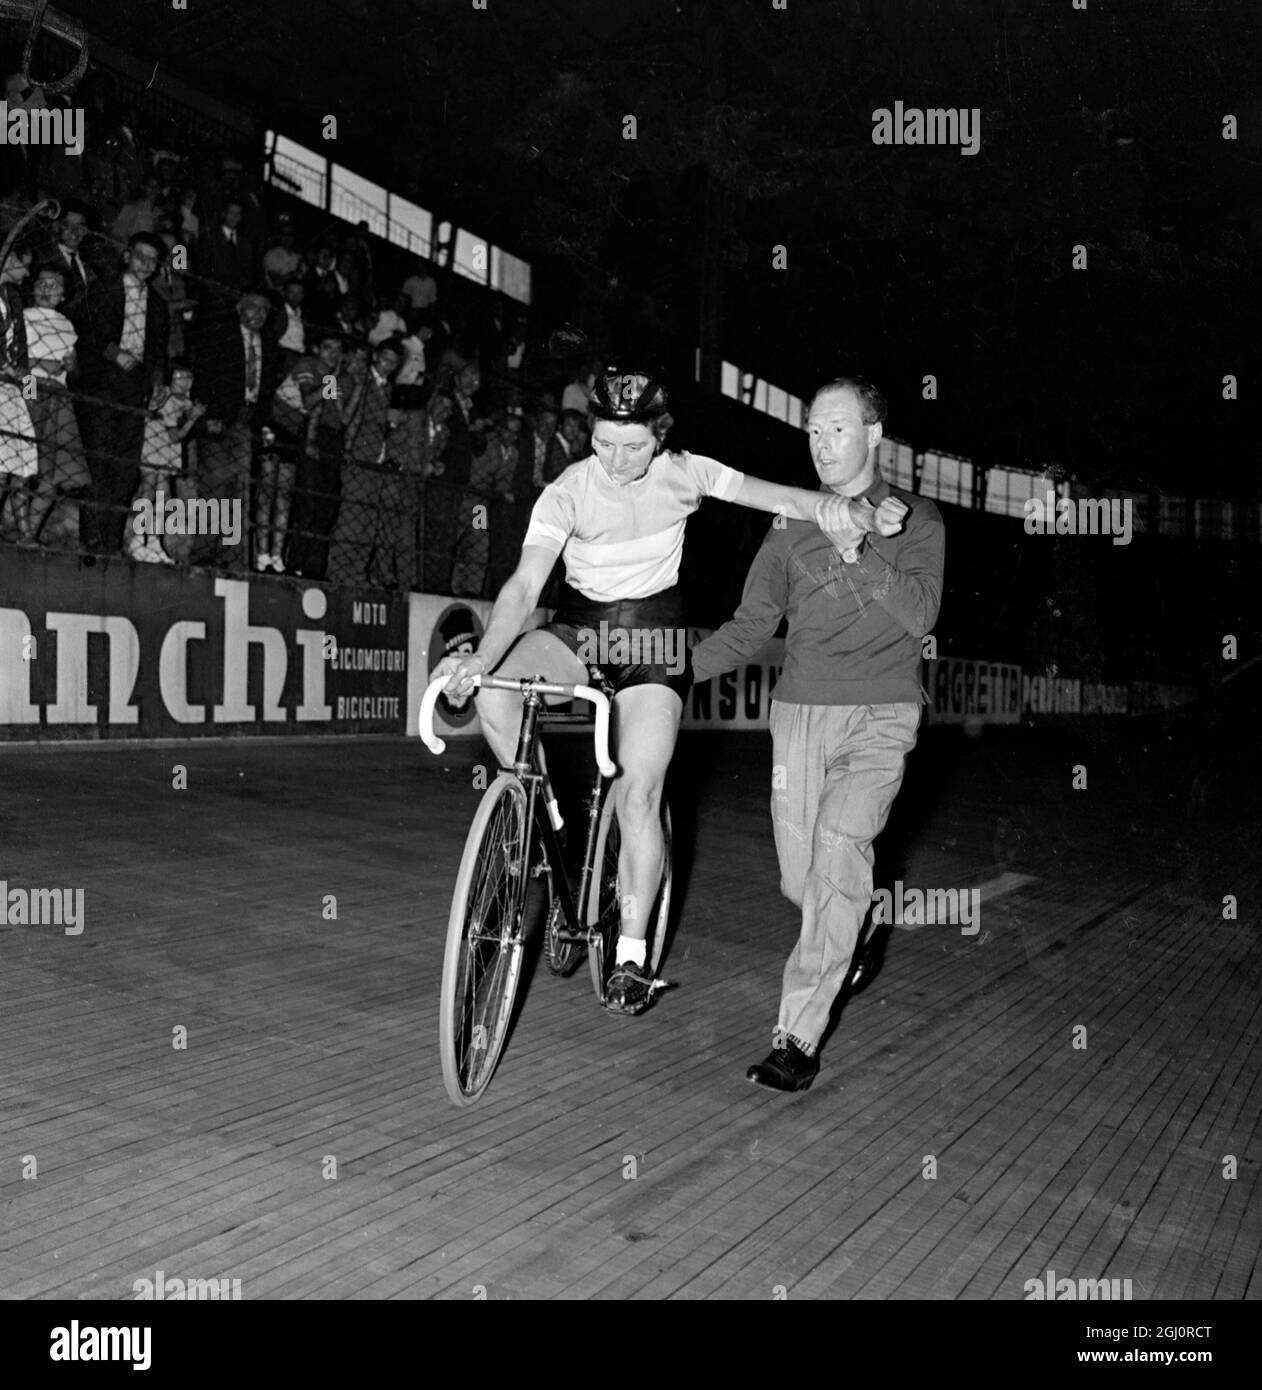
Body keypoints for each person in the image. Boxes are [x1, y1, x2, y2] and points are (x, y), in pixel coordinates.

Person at [433, 365, 859, 1016]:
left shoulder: (688, 473)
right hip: (579, 629)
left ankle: (631, 954)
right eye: (604, 442)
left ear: (659, 436)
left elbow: (776, 497)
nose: (617, 460)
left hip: (654, 643)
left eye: (633, 446)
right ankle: (541, 827)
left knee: (639, 794)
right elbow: (522, 590)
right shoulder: (568, 490)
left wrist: (837, 508)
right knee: (496, 693)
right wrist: (481, 659)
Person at [690, 377, 945, 1090]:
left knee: (838, 852)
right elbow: (749, 625)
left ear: (874, 437)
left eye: (838, 429)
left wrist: (857, 552)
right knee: (805, 881)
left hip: (881, 714)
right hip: (800, 713)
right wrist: (676, 672)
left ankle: (795, 1040)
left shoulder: (916, 518)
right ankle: (851, 926)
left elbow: (920, 615)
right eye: (813, 430)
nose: (823, 443)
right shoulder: (786, 526)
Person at [71, 232, 170, 555]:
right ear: (127, 255)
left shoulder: (157, 304)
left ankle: (111, 540)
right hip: (102, 380)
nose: (145, 264)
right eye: (140, 256)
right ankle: (92, 538)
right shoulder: (102, 289)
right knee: (99, 461)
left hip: (134, 388)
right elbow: (81, 331)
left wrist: (158, 383)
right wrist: (113, 352)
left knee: (126, 470)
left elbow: (158, 351)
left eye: (152, 260)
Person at [23, 263, 91, 542]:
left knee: (55, 469)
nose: (46, 289)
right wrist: (41, 364)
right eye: (41, 282)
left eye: (55, 285)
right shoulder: (22, 316)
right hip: (26, 387)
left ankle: (29, 531)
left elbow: (71, 371)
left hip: (58, 394)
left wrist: (72, 366)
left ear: (64, 294)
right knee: (19, 458)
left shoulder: (66, 324)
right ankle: (17, 523)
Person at [129, 363, 206, 564]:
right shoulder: (166, 397)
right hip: (154, 446)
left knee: (163, 497)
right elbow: (175, 436)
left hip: (165, 453)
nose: (185, 382)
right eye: (180, 376)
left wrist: (193, 415)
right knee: (149, 490)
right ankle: (138, 540)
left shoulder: (185, 401)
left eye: (189, 377)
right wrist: (193, 419)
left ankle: (154, 542)